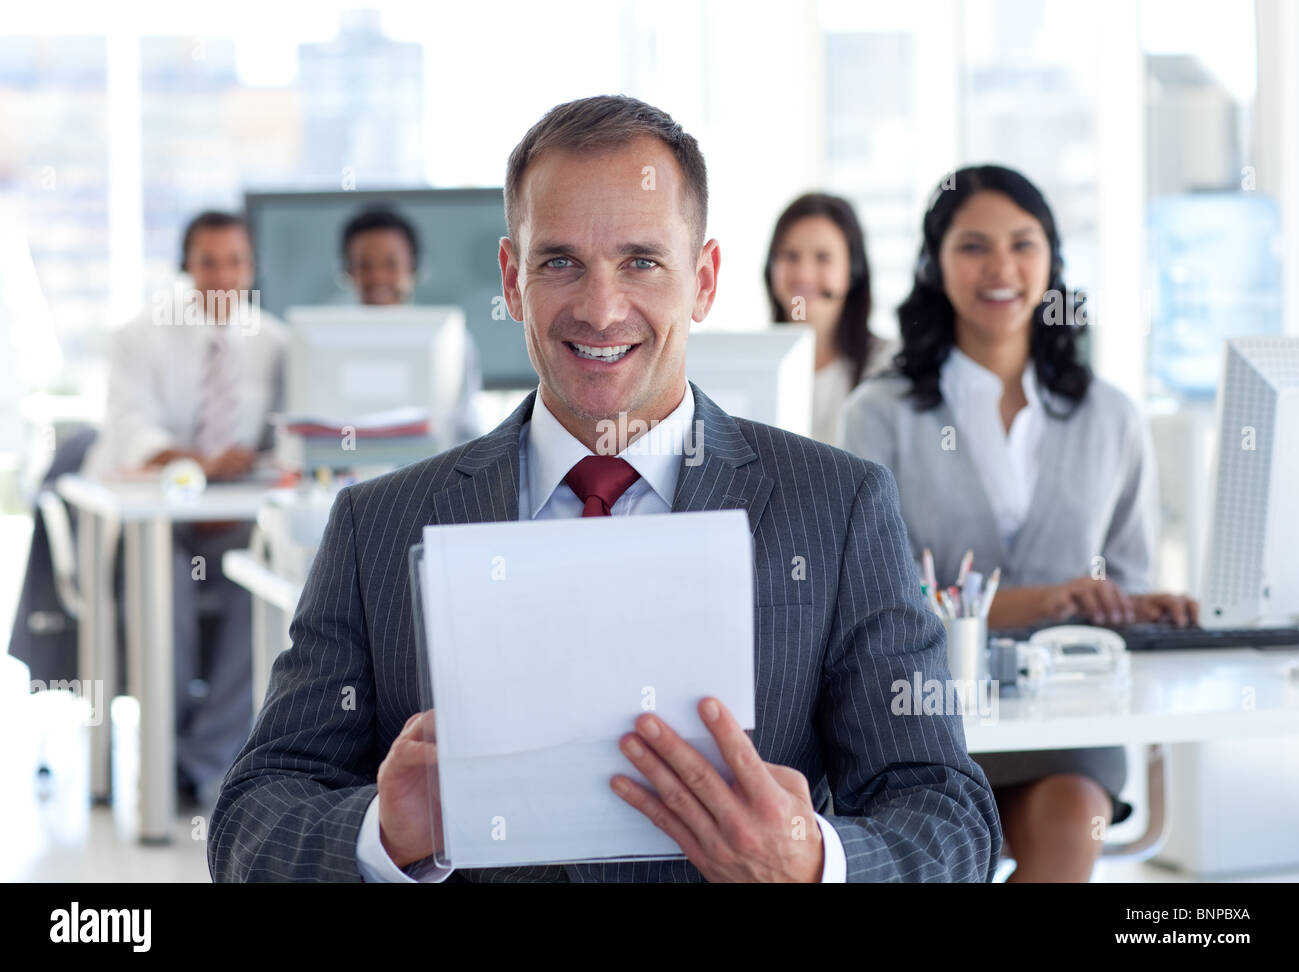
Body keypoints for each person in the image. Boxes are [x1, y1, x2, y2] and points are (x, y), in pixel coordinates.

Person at [208, 96, 1000, 883]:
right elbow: (249, 823)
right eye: (560, 262)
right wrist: (386, 832)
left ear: (705, 279)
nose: (600, 307)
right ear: (513, 281)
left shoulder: (838, 508)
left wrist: (811, 859)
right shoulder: (377, 525)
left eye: (642, 261)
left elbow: (949, 820)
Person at [840, 165, 1198, 882]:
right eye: (973, 246)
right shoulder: (878, 415)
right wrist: (1048, 601)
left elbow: (1123, 578)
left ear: (1052, 262)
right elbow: (871, 606)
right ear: (935, 266)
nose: (1001, 268)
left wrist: (1132, 606)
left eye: (1023, 244)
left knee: (1069, 822)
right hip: (924, 723)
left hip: (1070, 724)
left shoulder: (1110, 417)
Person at [84, 210, 288, 803]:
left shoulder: (275, 343)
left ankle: (204, 763)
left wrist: (250, 465)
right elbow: (128, 427)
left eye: (235, 261)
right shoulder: (138, 337)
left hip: (234, 522)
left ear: (251, 267)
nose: (223, 275)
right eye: (208, 261)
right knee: (163, 588)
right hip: (156, 524)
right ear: (185, 266)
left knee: (256, 584)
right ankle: (162, 752)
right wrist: (193, 463)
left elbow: (282, 439)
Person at [340, 205, 483, 443]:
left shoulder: (453, 342)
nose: (377, 277)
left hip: (435, 475)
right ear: (347, 272)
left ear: (414, 267)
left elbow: (467, 426)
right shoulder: (331, 341)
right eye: (364, 265)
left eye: (391, 264)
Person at [765, 193, 896, 446]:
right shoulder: (755, 362)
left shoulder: (888, 364)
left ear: (853, 271)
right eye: (790, 256)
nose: (803, 274)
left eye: (823, 257)